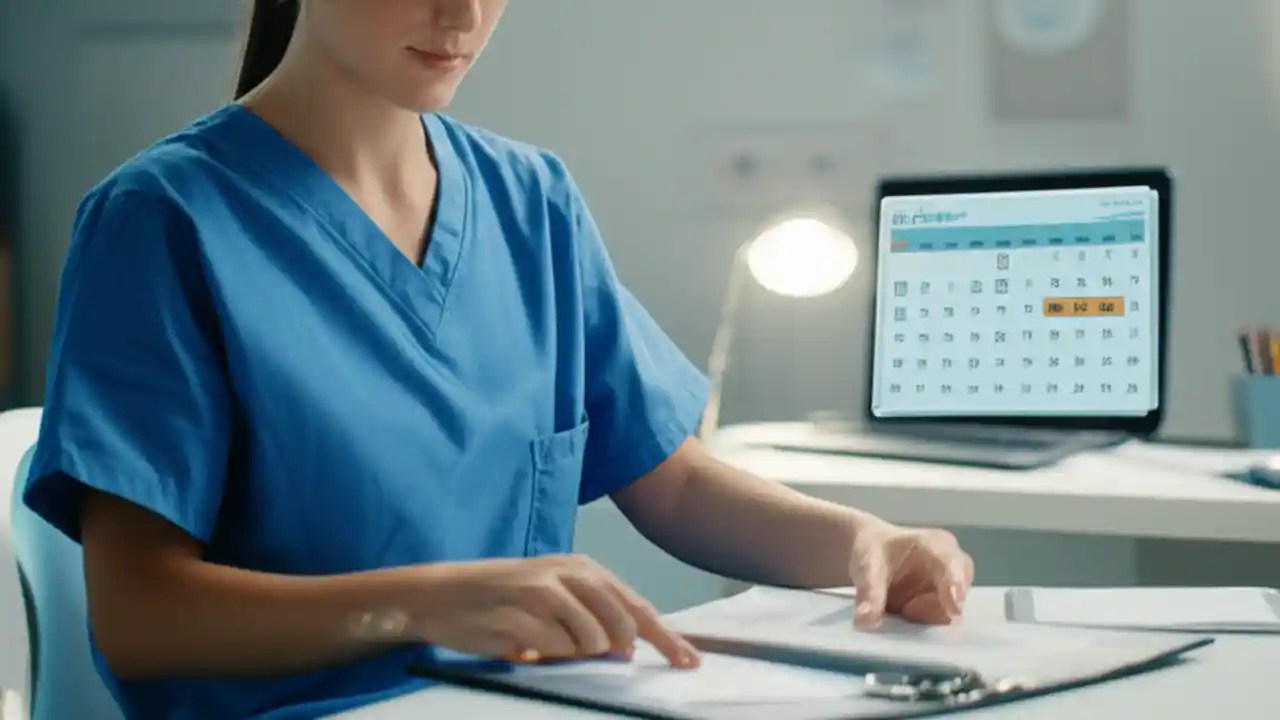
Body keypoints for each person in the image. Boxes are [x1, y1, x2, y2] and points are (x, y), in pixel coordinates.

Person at [23, 1, 975, 718]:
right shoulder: (164, 221)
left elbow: (673, 484)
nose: (464, 15)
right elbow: (141, 618)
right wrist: (428, 605)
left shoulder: (531, 201)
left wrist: (862, 544)